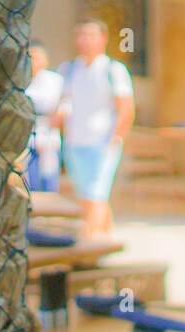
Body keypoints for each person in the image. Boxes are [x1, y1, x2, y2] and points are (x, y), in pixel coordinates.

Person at [58, 18, 135, 237]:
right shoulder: (69, 70)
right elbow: (63, 103)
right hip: (75, 143)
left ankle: (89, 240)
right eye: (81, 35)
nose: (85, 41)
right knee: (87, 195)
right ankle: (106, 238)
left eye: (91, 35)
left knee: (95, 195)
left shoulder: (113, 69)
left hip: (102, 143)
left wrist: (117, 137)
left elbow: (126, 107)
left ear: (103, 39)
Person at [24, 43, 64, 193]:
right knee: (30, 179)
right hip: (27, 133)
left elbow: (63, 105)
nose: (34, 61)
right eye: (31, 57)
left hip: (48, 132)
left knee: (49, 176)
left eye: (38, 57)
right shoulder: (21, 80)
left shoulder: (55, 81)